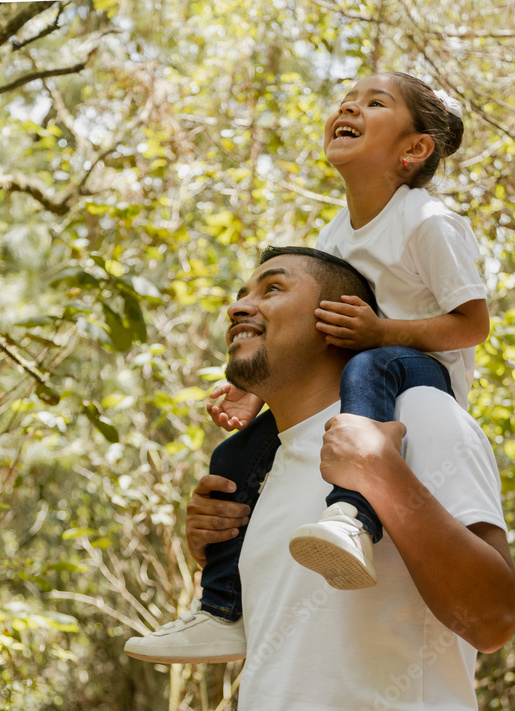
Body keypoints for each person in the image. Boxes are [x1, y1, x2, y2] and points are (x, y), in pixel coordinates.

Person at [184, 247, 515, 711]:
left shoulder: (419, 416)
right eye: (240, 290)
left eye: (272, 288)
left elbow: (492, 616)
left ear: (337, 320)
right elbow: (292, 636)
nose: (241, 304)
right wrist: (205, 550)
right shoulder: (264, 465)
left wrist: (381, 473)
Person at [124, 70, 488, 665]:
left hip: (419, 373)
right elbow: (314, 332)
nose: (349, 108)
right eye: (345, 100)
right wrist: (258, 390)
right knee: (234, 457)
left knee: (369, 364)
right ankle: (220, 610)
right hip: (358, 376)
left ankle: (352, 518)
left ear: (414, 149)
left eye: (374, 103)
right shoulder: (334, 235)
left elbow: (471, 324)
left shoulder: (428, 222)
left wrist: (382, 333)